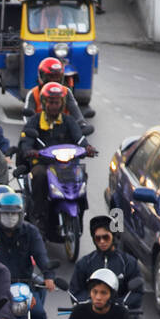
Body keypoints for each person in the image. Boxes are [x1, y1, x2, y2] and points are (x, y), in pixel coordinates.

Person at [18, 83, 94, 233]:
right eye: (51, 102)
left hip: (65, 165)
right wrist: (30, 151)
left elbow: (79, 138)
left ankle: (79, 214)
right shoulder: (35, 120)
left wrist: (88, 148)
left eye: (57, 102)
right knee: (39, 176)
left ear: (62, 104)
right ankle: (39, 217)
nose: (54, 105)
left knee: (82, 176)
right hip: (43, 164)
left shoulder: (68, 121)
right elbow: (26, 140)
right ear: (45, 103)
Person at [0, 190, 53, 319]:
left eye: (14, 213)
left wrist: (48, 275)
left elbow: (41, 255)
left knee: (38, 314)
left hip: (24, 285)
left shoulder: (31, 232)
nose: (10, 217)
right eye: (6, 213)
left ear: (21, 214)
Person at [22, 57, 87, 126]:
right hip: (40, 130)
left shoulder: (66, 92)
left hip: (63, 131)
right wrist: (31, 127)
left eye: (57, 77)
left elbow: (76, 113)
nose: (55, 80)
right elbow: (28, 118)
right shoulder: (33, 93)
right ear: (41, 76)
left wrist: (82, 124)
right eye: (51, 76)